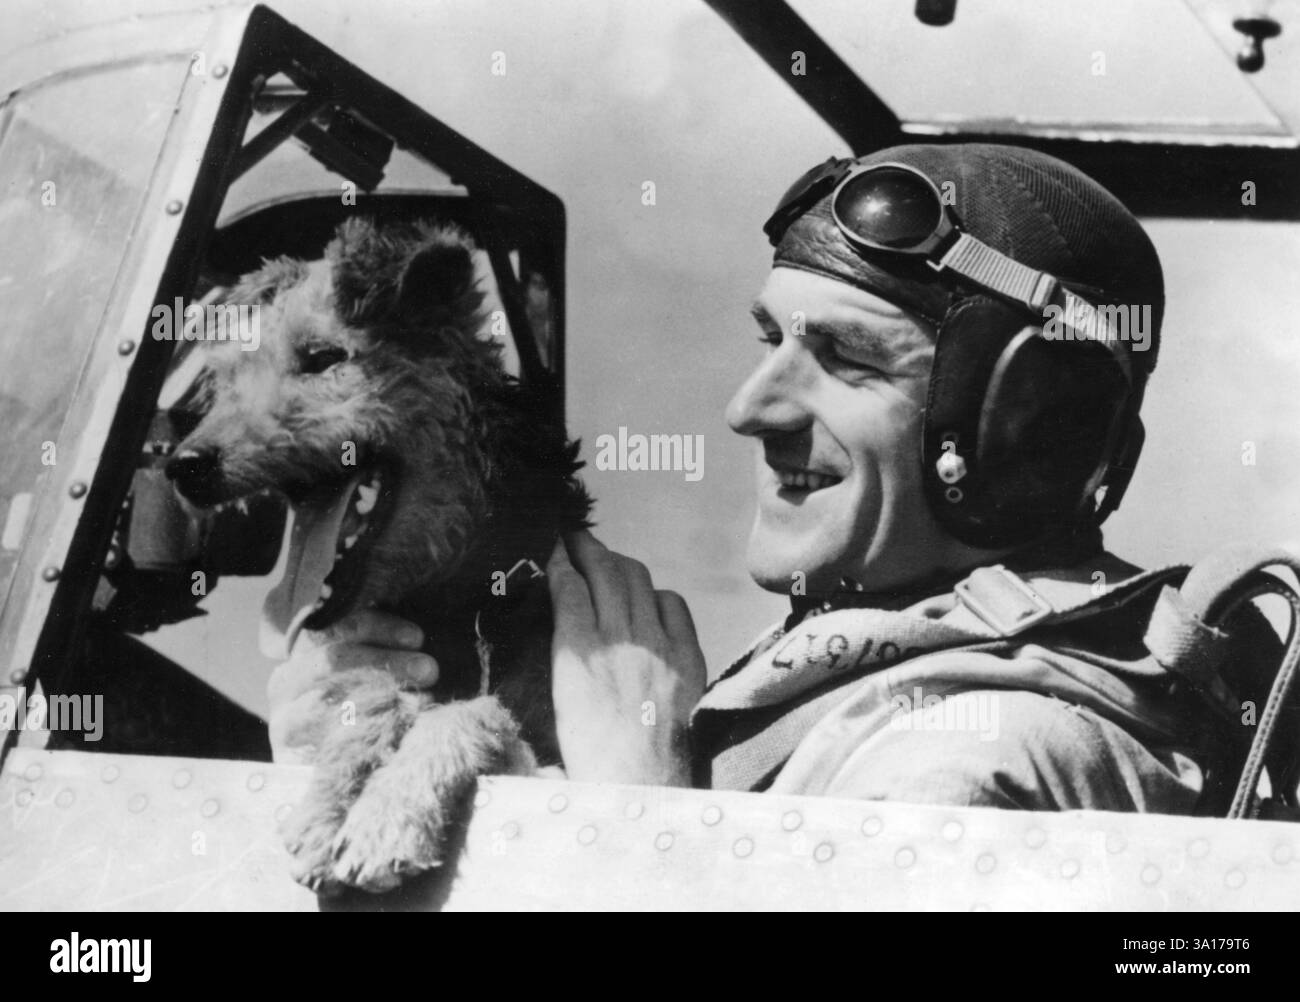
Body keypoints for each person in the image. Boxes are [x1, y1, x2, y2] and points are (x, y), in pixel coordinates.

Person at [270, 143, 1258, 813]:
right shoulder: (878, 688)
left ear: (1021, 426)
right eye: (769, 338)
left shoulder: (963, 763)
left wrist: (639, 811)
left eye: (844, 358)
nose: (750, 407)